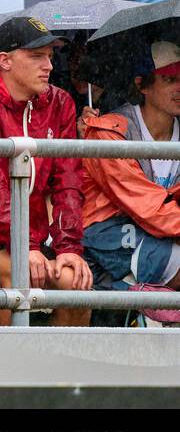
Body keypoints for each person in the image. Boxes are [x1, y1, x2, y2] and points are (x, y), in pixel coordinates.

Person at [0, 16, 94, 325]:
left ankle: (56, 373)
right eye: (37, 56)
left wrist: (69, 248)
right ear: (4, 61)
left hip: (28, 239)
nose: (48, 65)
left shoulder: (60, 102)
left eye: (50, 56)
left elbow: (68, 183)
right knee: (14, 277)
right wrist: (26, 246)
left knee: (76, 285)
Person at [80, 42, 180, 291]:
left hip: (164, 230)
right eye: (169, 79)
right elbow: (145, 207)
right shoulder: (108, 132)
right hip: (108, 231)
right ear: (141, 84)